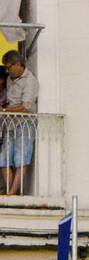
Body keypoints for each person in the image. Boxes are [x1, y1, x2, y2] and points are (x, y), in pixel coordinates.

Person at [0, 49, 38, 195]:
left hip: (24, 124)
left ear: (18, 64)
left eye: (8, 67)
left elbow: (26, 106)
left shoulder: (30, 81)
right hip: (10, 123)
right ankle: (11, 192)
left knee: (21, 158)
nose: (7, 70)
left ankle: (12, 193)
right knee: (3, 159)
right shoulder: (10, 79)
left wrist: (4, 112)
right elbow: (9, 100)